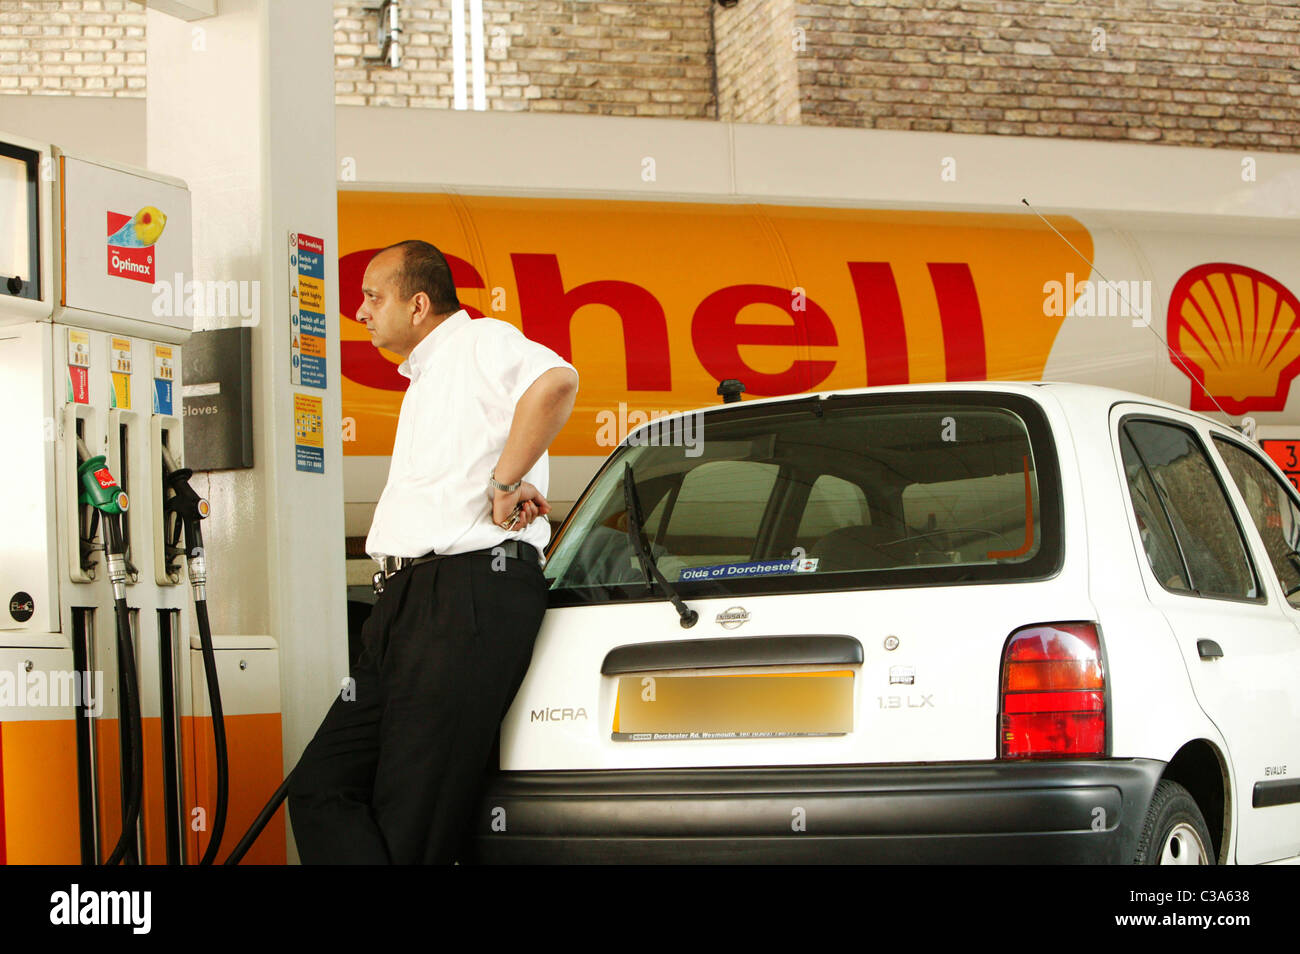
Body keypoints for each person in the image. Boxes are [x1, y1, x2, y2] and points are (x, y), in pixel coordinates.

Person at [287, 239, 578, 864]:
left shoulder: (479, 342)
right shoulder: (427, 375)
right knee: (320, 785)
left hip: (465, 596)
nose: (359, 312)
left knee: (410, 818)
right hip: (402, 605)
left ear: (418, 304)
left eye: (372, 296)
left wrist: (506, 481)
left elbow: (556, 381)